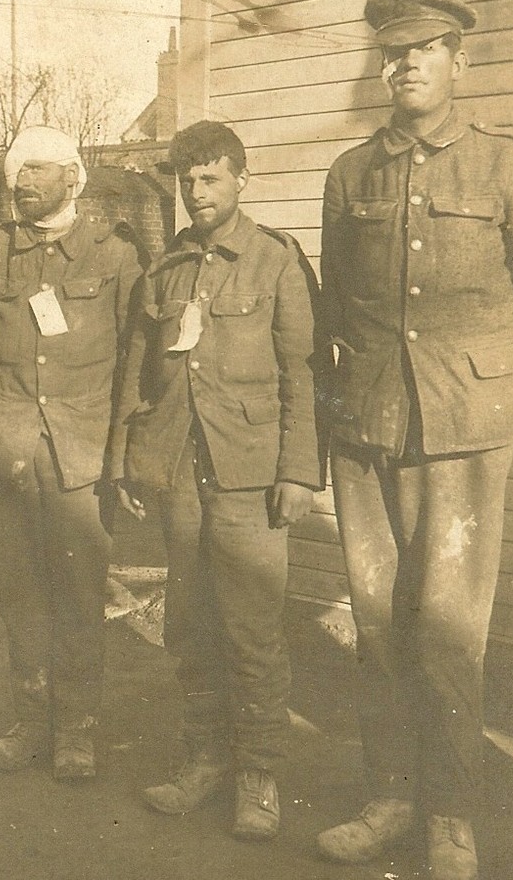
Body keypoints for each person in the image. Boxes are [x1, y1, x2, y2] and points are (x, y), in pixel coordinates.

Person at [315, 0, 513, 880]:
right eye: (393, 51)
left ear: (462, 62)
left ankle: (451, 814)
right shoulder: (351, 173)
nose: (406, 64)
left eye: (426, 49)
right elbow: (339, 306)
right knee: (379, 622)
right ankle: (390, 797)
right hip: (369, 423)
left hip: (466, 428)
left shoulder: (508, 166)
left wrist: (512, 412)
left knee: (450, 629)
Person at [112, 120, 324, 840]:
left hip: (250, 478)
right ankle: (204, 761)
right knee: (190, 624)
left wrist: (299, 470)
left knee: (253, 630)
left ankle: (258, 774)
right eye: (187, 180)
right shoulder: (167, 271)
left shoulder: (275, 262)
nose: (197, 193)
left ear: (241, 180)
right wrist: (131, 461)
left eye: (210, 179)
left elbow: (301, 373)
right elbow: (141, 377)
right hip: (179, 475)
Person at [0, 126, 141, 780]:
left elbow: (136, 366)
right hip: (11, 453)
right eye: (18, 171)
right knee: (19, 594)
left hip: (80, 459)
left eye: (39, 171)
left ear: (73, 179)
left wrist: (125, 458)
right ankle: (30, 722)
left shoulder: (115, 257)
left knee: (79, 597)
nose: (23, 182)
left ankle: (76, 731)